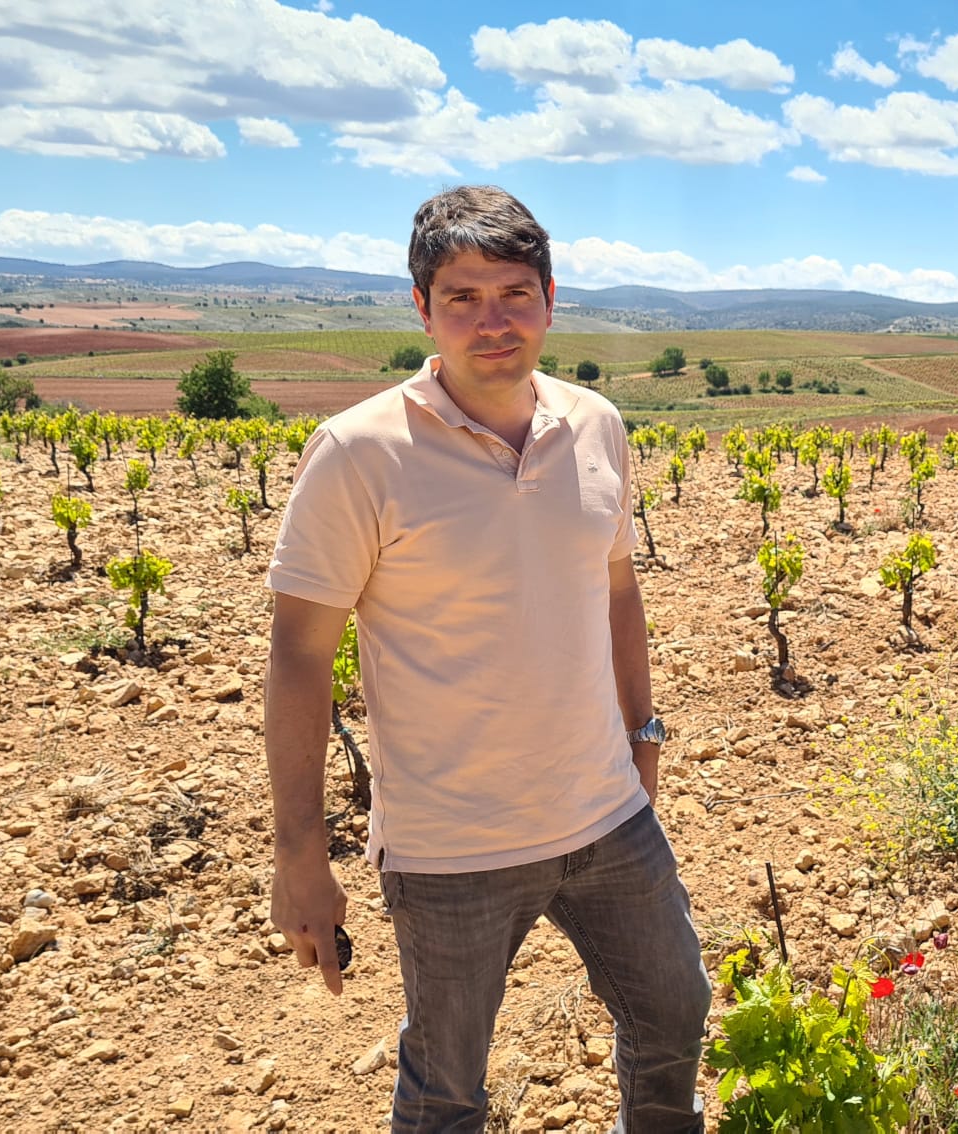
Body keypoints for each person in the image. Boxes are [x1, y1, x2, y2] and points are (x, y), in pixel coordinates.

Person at [262, 185, 709, 1133]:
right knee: (446, 1091)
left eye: (513, 293)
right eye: (462, 297)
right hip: (451, 848)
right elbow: (301, 655)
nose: (492, 321)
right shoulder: (357, 453)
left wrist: (646, 736)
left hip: (608, 815)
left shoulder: (596, 424)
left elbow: (617, 589)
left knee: (675, 1021)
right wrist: (302, 852)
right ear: (423, 308)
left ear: (551, 298)